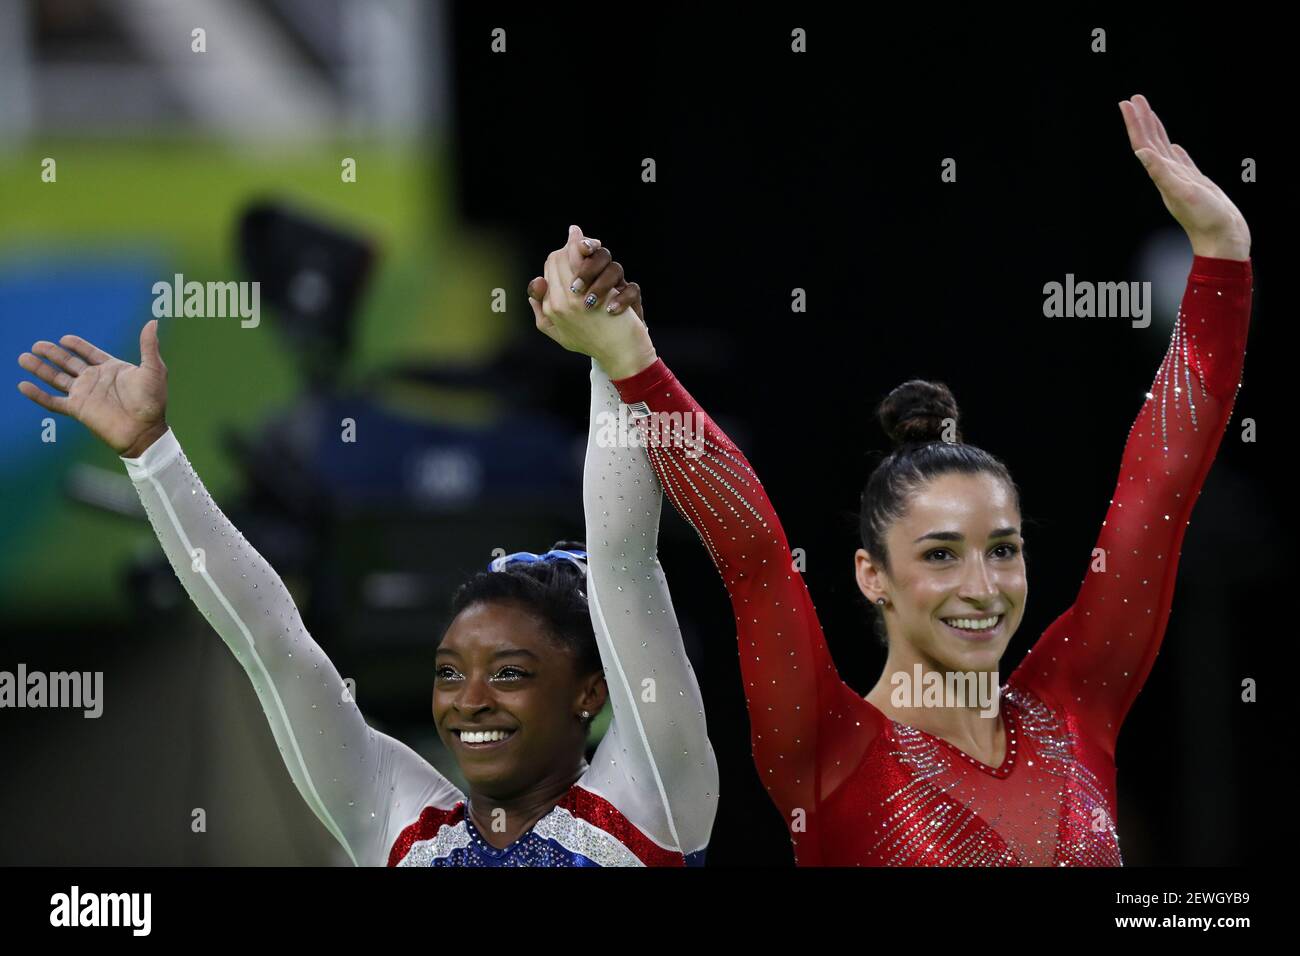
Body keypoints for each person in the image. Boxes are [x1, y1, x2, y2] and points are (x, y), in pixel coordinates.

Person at [528, 94, 1253, 865]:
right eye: (940, 554)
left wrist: (1222, 252)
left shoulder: (1077, 704)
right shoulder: (829, 750)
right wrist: (633, 364)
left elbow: (1158, 487)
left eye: (1002, 549)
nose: (983, 586)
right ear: (872, 576)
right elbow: (753, 556)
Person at [14, 232, 717, 866]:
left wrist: (614, 356)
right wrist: (150, 452)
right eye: (449, 673)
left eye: (508, 674)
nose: (468, 701)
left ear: (590, 693)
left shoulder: (649, 799)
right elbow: (272, 643)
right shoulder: (400, 824)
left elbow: (624, 565)